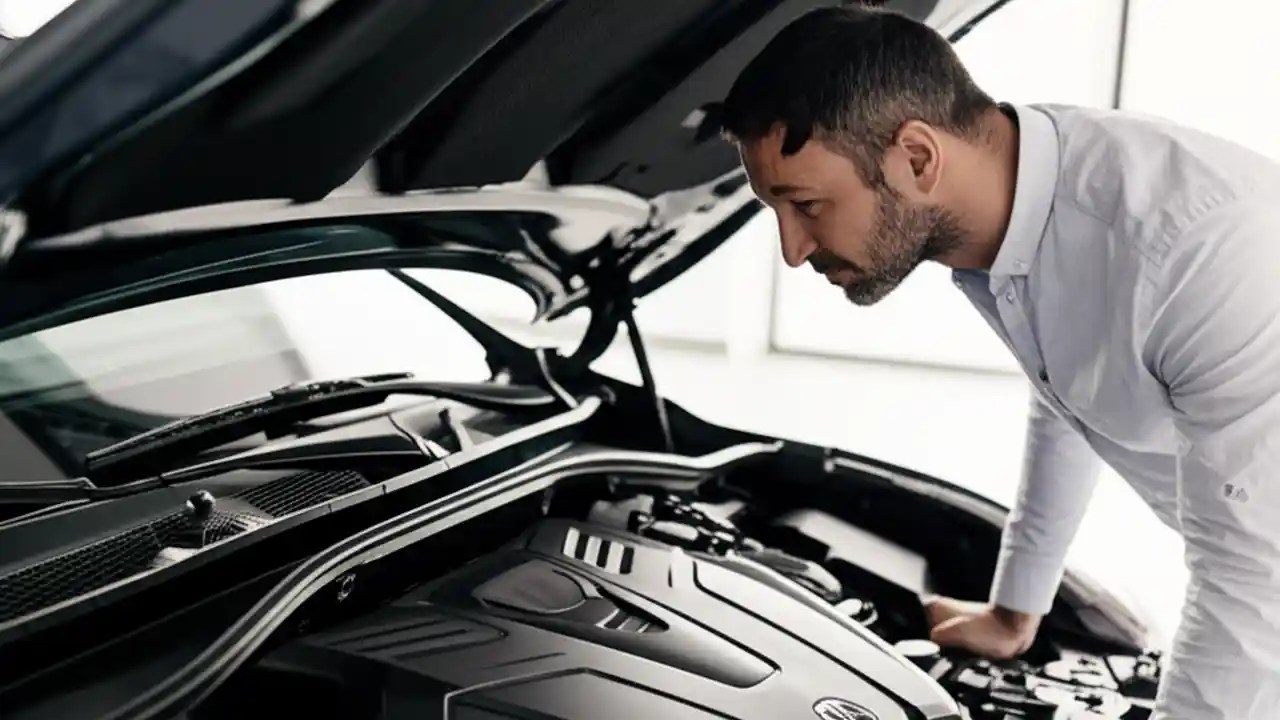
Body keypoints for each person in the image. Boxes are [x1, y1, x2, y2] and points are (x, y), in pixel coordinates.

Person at [718, 5, 1280, 719]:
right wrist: (1015, 611)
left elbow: (1257, 577)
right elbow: (1070, 390)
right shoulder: (1025, 207)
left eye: (805, 204)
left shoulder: (1197, 251)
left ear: (917, 158)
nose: (793, 250)